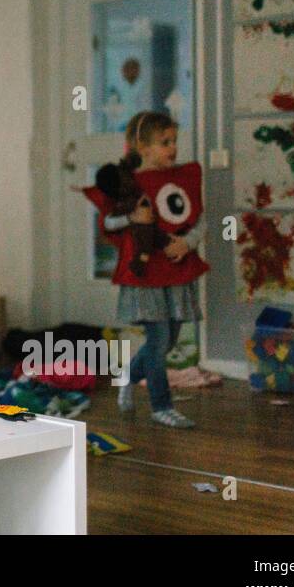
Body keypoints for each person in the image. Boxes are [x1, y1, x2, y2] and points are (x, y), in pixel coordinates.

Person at [105, 110, 208, 428]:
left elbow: (200, 218)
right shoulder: (129, 184)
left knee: (169, 340)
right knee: (159, 339)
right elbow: (109, 221)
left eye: (174, 141)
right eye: (165, 142)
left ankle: (128, 376)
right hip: (146, 275)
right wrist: (132, 219)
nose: (173, 148)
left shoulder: (182, 179)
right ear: (143, 147)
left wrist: (188, 243)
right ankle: (160, 405)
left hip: (176, 271)